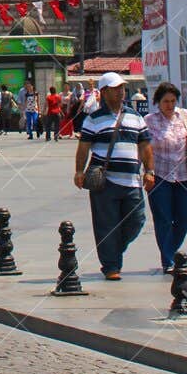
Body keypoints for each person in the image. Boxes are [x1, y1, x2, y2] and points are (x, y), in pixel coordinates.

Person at [74, 71, 155, 280]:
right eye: (116, 88)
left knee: (136, 221)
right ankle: (111, 266)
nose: (121, 92)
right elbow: (83, 148)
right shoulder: (93, 120)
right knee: (106, 224)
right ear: (104, 92)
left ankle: (114, 249)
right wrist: (78, 172)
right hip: (105, 182)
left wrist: (150, 171)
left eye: (122, 88)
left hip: (132, 181)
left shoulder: (135, 117)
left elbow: (145, 145)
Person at [145, 81, 187, 272]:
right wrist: (146, 172)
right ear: (158, 102)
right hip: (160, 175)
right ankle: (168, 260)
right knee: (164, 219)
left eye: (173, 101)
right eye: (166, 101)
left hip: (184, 174)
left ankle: (170, 250)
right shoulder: (149, 121)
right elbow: (144, 148)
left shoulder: (185, 116)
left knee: (186, 218)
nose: (170, 105)